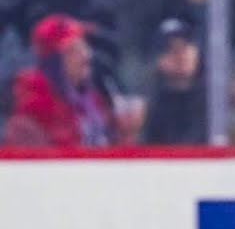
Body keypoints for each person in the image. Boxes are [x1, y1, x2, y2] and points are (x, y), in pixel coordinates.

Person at [4, 14, 143, 147]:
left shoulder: (95, 101)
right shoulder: (31, 117)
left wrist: (126, 134)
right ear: (53, 62)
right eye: (73, 49)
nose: (87, 54)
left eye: (85, 45)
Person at [142, 16, 206, 145]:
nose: (180, 54)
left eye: (185, 44)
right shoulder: (152, 110)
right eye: (170, 48)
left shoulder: (216, 104)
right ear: (158, 60)